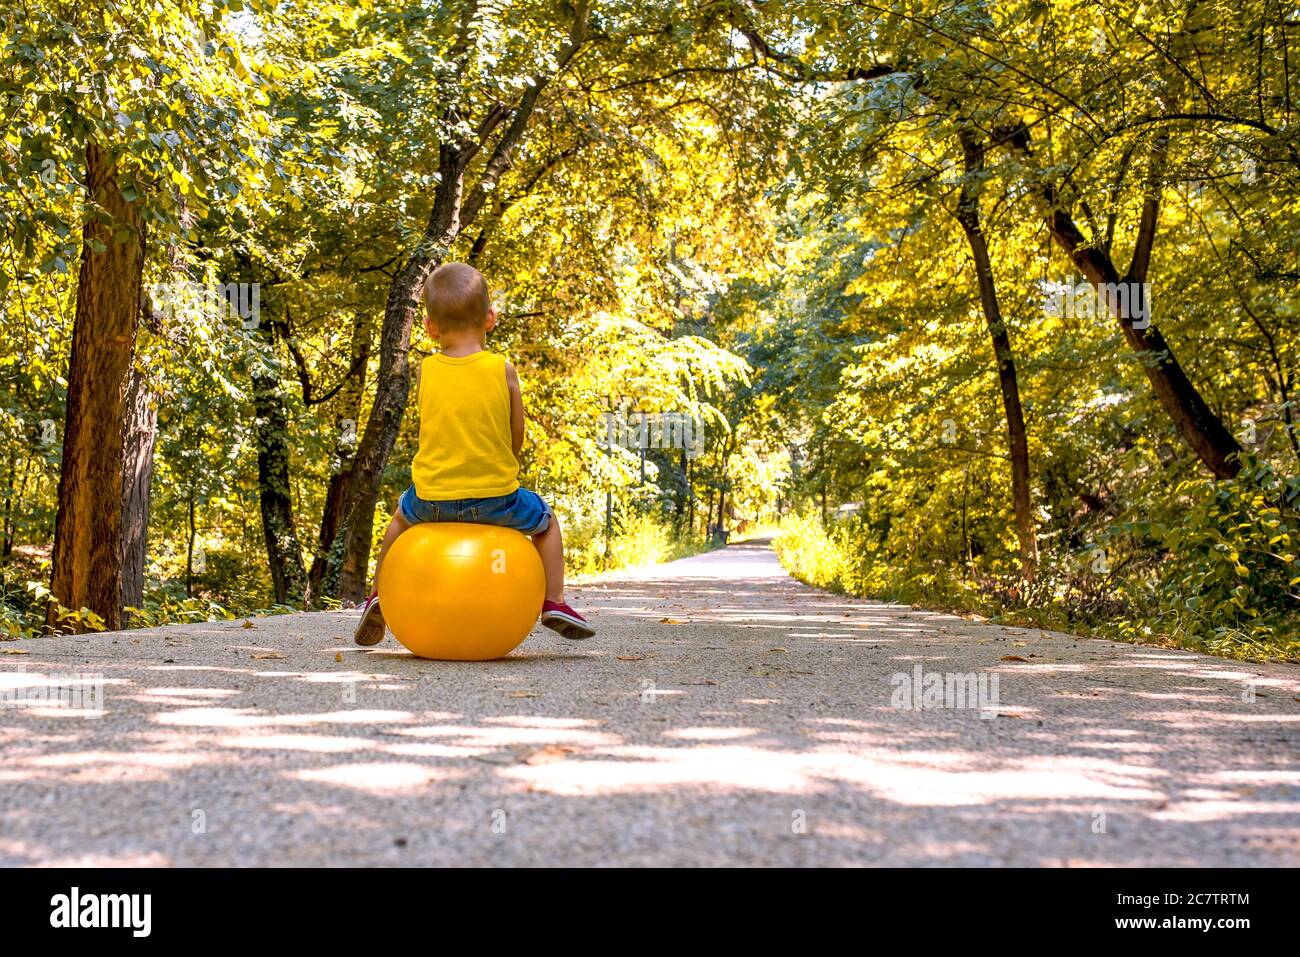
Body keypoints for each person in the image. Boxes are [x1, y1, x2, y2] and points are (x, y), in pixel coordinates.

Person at [353, 262, 594, 646]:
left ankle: (378, 594)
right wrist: (504, 462)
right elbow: (516, 432)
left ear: (431, 328)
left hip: (431, 501)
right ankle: (554, 601)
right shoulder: (503, 369)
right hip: (496, 501)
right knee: (546, 523)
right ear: (491, 318)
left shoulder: (427, 370)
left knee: (397, 520)